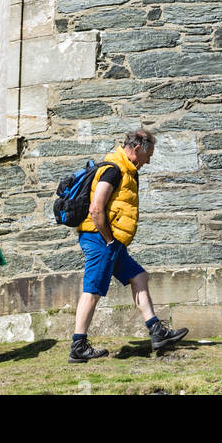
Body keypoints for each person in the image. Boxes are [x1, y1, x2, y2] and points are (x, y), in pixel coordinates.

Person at [70, 129, 188, 363]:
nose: (149, 160)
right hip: (101, 240)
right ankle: (78, 345)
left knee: (139, 277)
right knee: (92, 290)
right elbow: (96, 209)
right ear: (136, 150)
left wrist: (113, 243)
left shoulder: (126, 169)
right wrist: (109, 241)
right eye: (148, 155)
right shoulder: (113, 169)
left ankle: (157, 332)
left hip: (111, 242)